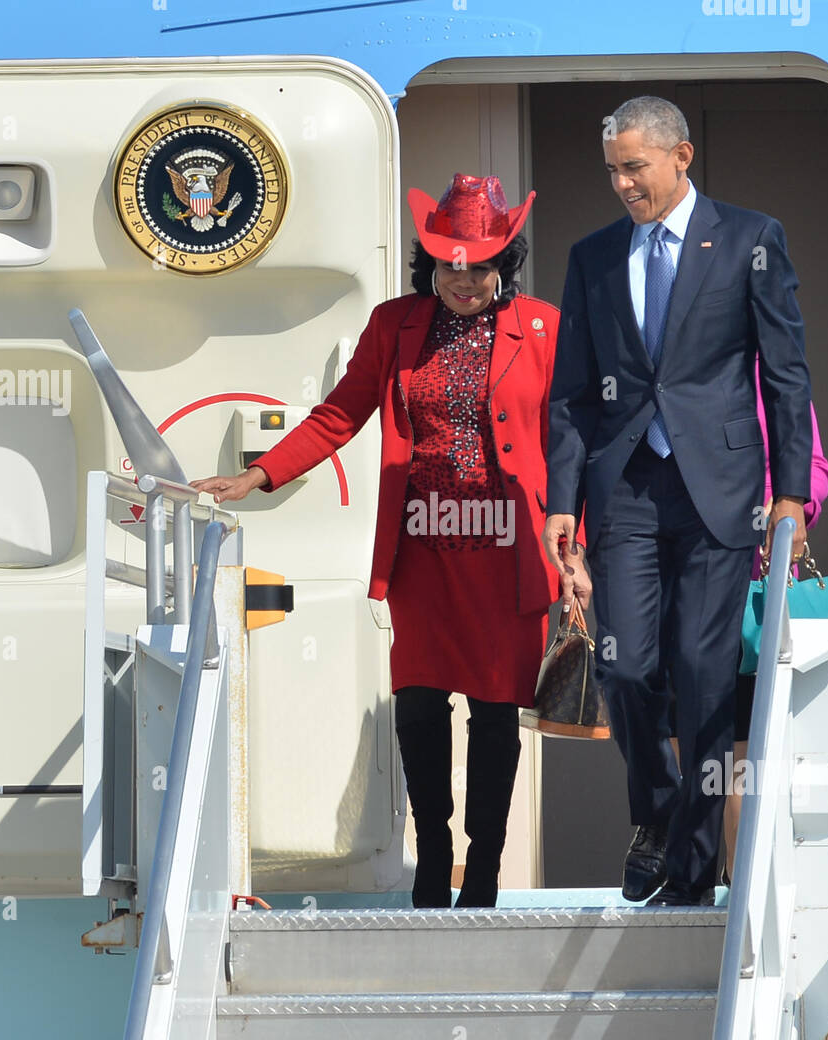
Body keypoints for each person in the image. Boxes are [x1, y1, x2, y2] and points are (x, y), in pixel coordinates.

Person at [191, 173, 572, 909]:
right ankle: (433, 862)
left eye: (478, 267)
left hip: (509, 549)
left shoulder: (546, 328)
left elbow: (571, 442)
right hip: (424, 550)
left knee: (496, 713)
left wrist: (573, 543)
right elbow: (339, 415)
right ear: (427, 264)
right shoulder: (393, 323)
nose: (462, 281)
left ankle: (485, 873)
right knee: (420, 704)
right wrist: (261, 474)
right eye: (447, 266)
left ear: (506, 264)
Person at [542, 95, 814, 907]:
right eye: (614, 171)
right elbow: (571, 397)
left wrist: (791, 494)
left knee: (702, 674)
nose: (624, 184)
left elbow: (786, 376)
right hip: (624, 489)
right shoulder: (593, 257)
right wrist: (563, 500)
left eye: (636, 167)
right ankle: (658, 816)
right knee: (627, 668)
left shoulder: (750, 240)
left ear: (681, 156)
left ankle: (694, 870)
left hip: (719, 492)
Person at [724, 364, 828, 883]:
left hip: (757, 597)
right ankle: (697, 873)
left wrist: (791, 507)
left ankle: (742, 912)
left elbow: (815, 467)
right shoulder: (663, 366)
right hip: (677, 592)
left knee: (740, 765)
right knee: (694, 758)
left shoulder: (768, 374)